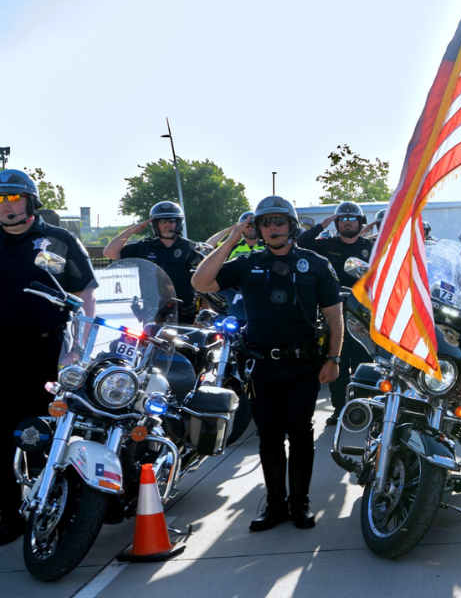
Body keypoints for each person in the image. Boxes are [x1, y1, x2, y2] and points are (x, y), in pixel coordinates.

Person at [193, 196, 343, 531]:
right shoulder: (246, 263)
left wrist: (333, 359)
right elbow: (201, 283)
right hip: (260, 366)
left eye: (279, 221)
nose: (273, 228)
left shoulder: (315, 263)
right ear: (257, 228)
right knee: (269, 437)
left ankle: (299, 504)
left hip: (303, 364)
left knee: (301, 434)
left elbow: (334, 316)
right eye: (266, 222)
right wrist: (232, 239)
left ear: (291, 225)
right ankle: (275, 505)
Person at [0, 169, 97, 545]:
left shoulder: (57, 240)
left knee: (45, 432)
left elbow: (85, 295)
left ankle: (54, 509)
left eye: (13, 198)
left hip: (46, 349)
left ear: (30, 201)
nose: (6, 206)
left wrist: (78, 349)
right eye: (0, 199)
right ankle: (9, 513)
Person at [297, 201, 377, 426]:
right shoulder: (325, 245)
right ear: (337, 222)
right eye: (343, 218)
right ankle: (339, 408)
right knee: (336, 359)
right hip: (333, 312)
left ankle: (363, 407)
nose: (348, 222)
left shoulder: (370, 246)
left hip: (363, 313)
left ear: (360, 222)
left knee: (363, 361)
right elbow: (300, 243)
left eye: (353, 218)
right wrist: (324, 223)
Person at [103, 201, 204, 323]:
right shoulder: (144, 247)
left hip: (184, 313)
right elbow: (109, 253)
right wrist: (131, 231)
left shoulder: (191, 248)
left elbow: (205, 280)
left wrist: (202, 314)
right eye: (162, 221)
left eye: (171, 221)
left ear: (178, 222)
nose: (167, 225)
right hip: (153, 313)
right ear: (155, 224)